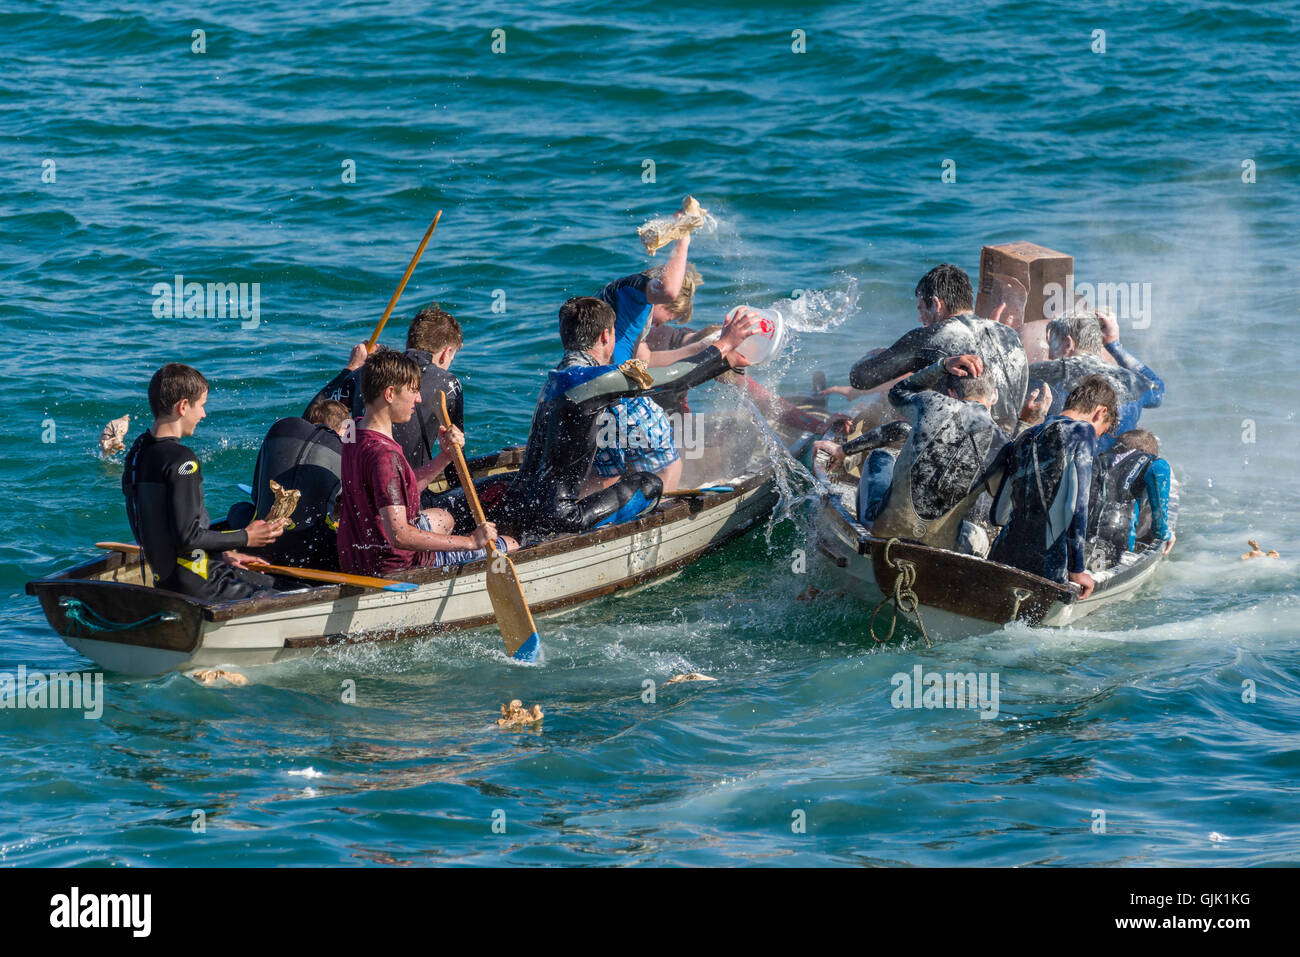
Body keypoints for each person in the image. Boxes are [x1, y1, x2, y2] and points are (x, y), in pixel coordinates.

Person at [495, 296, 759, 538]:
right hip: (562, 519)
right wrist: (724, 344)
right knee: (649, 483)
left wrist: (724, 361)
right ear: (605, 336)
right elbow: (673, 378)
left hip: (521, 504)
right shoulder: (592, 378)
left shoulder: (557, 378)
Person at [814, 355, 1051, 550]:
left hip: (884, 530)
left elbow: (898, 392)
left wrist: (942, 365)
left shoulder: (932, 402)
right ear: (995, 395)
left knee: (880, 456)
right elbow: (1005, 503)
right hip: (941, 545)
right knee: (979, 535)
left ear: (952, 393)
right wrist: (1028, 424)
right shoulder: (1002, 444)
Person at [337, 350, 515, 577]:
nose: (419, 399)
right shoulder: (385, 457)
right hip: (392, 566)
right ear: (390, 394)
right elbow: (399, 535)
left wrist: (445, 457)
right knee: (511, 544)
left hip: (355, 555)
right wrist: (470, 542)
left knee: (444, 517)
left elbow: (397, 488)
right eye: (413, 391)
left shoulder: (354, 428)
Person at [123, 363, 285, 601]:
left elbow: (158, 530)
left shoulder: (138, 453)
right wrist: (246, 536)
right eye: (201, 405)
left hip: (169, 580)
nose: (203, 414)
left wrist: (223, 554)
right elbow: (189, 537)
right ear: (183, 406)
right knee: (289, 590)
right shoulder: (182, 460)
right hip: (202, 585)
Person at [842, 264, 1029, 432]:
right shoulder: (1010, 334)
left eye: (921, 308)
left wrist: (875, 356)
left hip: (966, 453)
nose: (920, 318)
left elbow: (860, 378)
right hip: (1009, 445)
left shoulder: (931, 336)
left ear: (938, 304)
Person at [987, 375, 1119, 597]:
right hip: (1045, 566)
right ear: (1100, 412)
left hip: (1003, 554)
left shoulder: (1026, 435)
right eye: (1101, 432)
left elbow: (998, 515)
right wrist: (1076, 570)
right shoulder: (1081, 432)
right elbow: (1076, 506)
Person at [310, 305, 465, 475]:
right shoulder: (448, 383)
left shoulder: (365, 373)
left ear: (407, 344)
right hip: (411, 486)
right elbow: (455, 470)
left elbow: (311, 418)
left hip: (353, 474)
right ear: (446, 353)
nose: (418, 397)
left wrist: (351, 368)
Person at [232, 397, 349, 570]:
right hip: (312, 554)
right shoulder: (341, 449)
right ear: (343, 429)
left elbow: (257, 496)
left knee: (239, 509)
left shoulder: (282, 434)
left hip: (262, 547)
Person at [1029, 308, 1163, 452]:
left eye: (1052, 345)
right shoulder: (1131, 381)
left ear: (1068, 343)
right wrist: (1114, 344)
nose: (1049, 355)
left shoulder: (1041, 373)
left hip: (1067, 468)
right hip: (1117, 469)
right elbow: (1158, 390)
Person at [1085, 428, 1176, 569]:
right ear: (1149, 451)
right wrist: (1164, 534)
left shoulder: (1097, 460)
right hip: (1118, 536)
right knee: (1102, 566)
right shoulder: (1155, 463)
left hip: (1082, 534)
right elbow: (1158, 508)